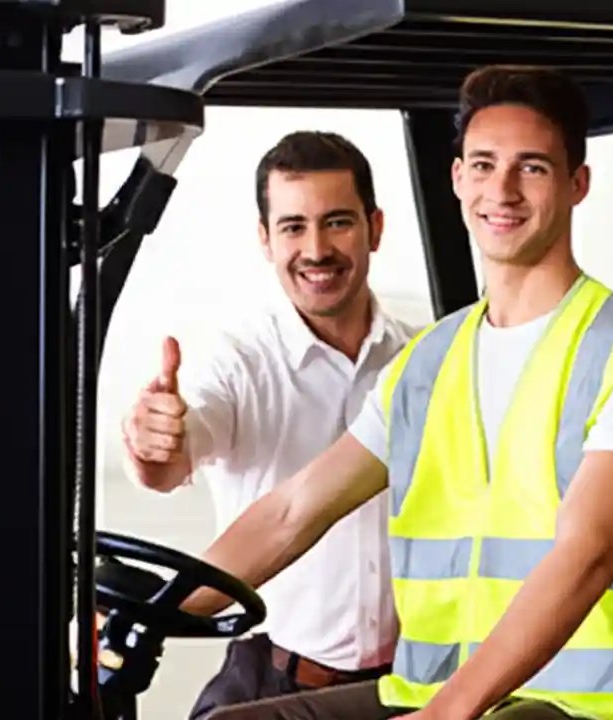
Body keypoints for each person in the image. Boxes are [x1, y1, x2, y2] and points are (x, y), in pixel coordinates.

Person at [183, 64, 613, 720]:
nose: (503, 191)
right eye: (483, 165)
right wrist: (151, 610)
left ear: (577, 185)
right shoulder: (428, 362)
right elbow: (293, 511)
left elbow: (589, 551)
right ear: (458, 178)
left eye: (533, 168)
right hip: (436, 692)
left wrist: (448, 713)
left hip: (580, 706)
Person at [120, 130, 420, 718]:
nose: (316, 248)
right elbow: (175, 453)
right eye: (293, 227)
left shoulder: (426, 358)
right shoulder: (239, 364)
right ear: (265, 238)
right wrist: (151, 446)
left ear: (374, 228)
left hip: (409, 684)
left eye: (338, 222)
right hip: (277, 679)